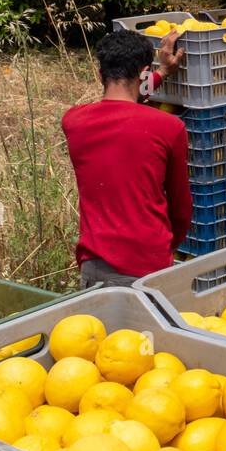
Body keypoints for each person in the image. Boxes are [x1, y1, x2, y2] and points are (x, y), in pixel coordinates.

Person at [62, 29, 192, 288]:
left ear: (99, 74)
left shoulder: (73, 122)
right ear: (144, 73)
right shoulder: (168, 128)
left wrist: (161, 74)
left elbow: (124, 105)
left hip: (96, 270)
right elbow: (181, 211)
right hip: (150, 269)